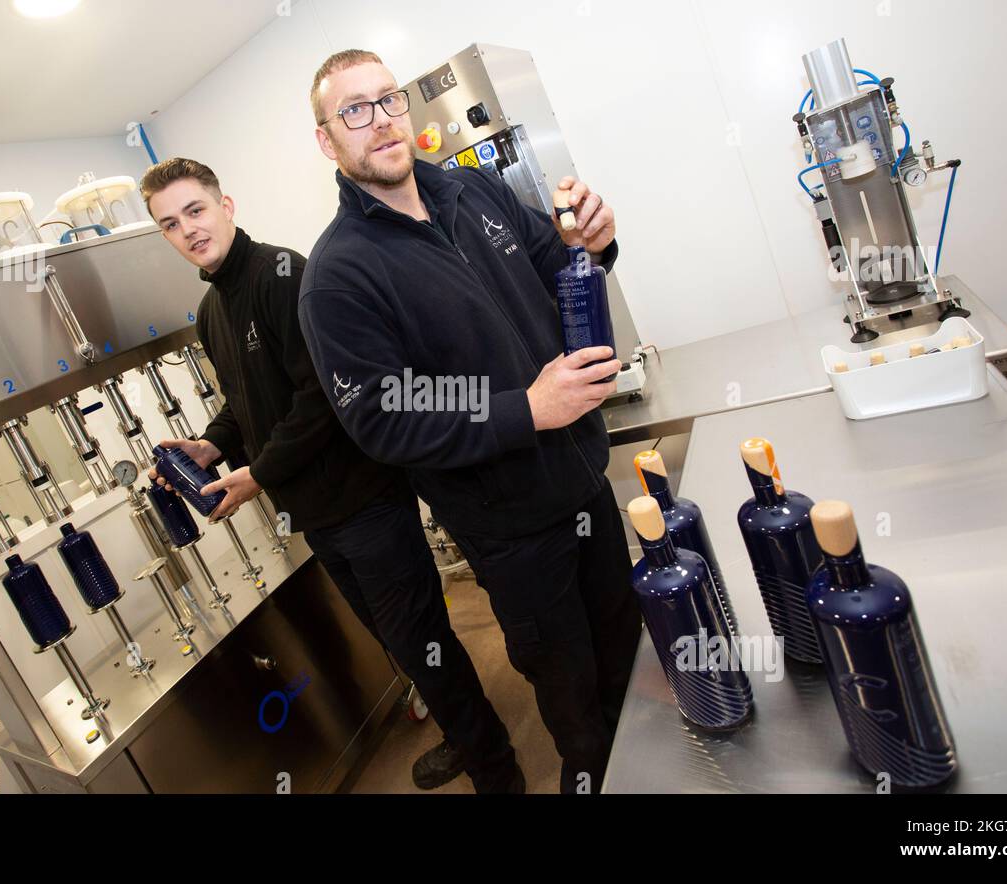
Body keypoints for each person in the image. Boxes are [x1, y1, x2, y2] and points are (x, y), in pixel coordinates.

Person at [298, 51, 643, 793]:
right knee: (576, 708)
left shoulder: (473, 190)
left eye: (388, 99)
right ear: (328, 140)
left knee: (629, 658)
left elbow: (560, 262)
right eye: (353, 110)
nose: (381, 120)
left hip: (586, 480)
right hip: (513, 532)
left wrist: (595, 242)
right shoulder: (338, 275)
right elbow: (387, 414)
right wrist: (527, 408)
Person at [139, 157, 521, 793]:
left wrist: (256, 474)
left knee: (420, 635)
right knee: (396, 639)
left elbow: (323, 396)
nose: (189, 230)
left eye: (196, 211)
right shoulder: (211, 311)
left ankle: (498, 771)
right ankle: (467, 732)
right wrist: (211, 444)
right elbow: (246, 400)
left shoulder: (283, 276)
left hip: (365, 502)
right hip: (316, 516)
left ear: (226, 204)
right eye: (171, 224)